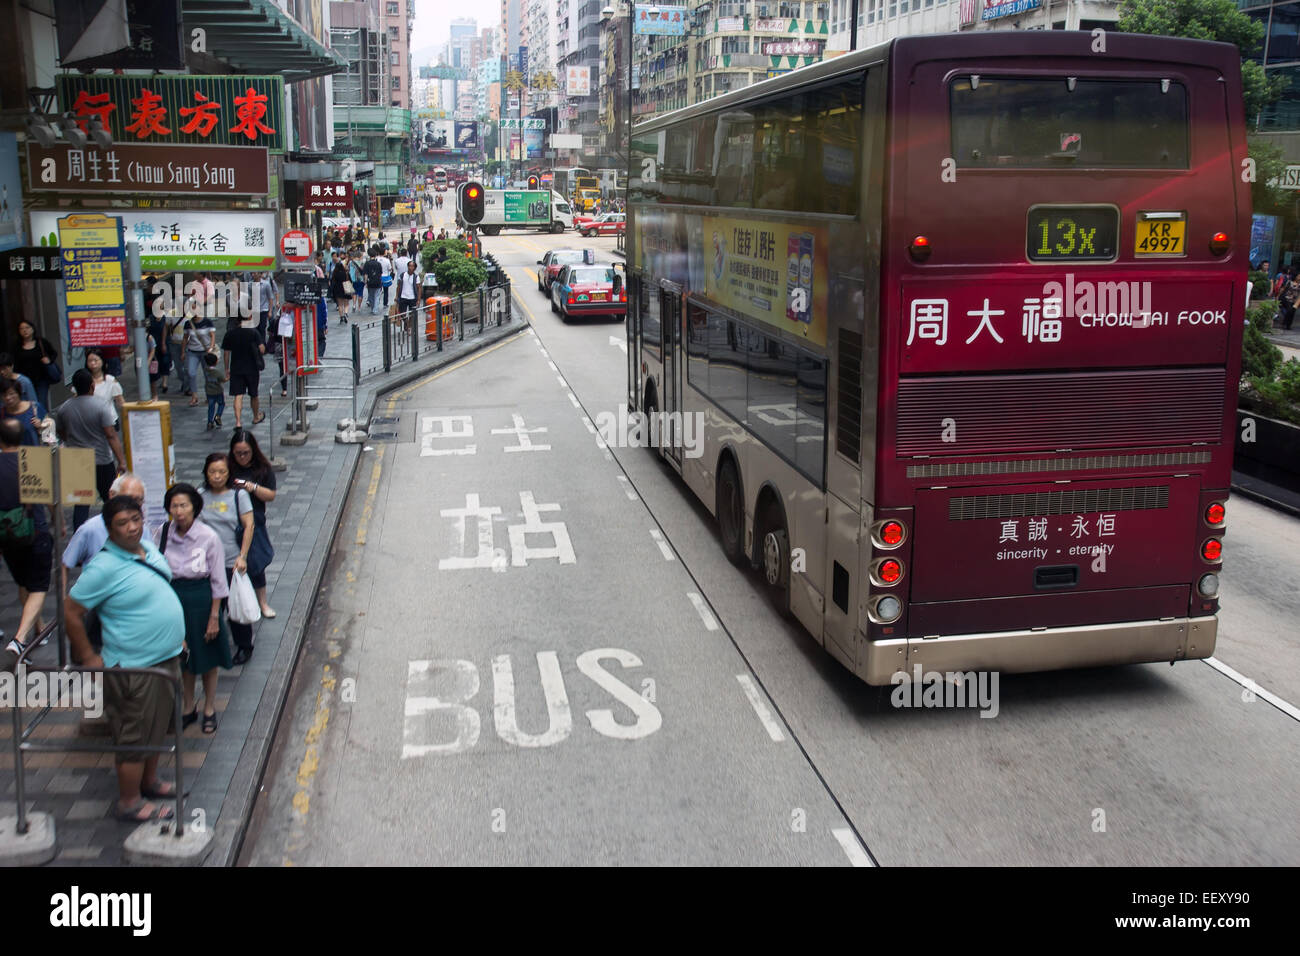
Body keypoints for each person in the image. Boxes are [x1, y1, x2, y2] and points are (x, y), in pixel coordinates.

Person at [65, 495, 184, 823]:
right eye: (122, 523)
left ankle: (150, 781)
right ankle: (130, 801)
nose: (132, 527)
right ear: (108, 528)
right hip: (134, 667)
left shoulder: (148, 547)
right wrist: (89, 657)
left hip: (166, 660)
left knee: (157, 727)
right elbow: (71, 612)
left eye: (135, 519)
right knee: (134, 736)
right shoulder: (103, 567)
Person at [157, 483, 230, 735]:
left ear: (195, 508)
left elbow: (219, 581)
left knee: (208, 658)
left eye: (184, 505)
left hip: (202, 600)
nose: (179, 511)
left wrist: (214, 617)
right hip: (173, 601)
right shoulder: (162, 533)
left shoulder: (208, 537)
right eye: (174, 506)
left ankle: (209, 707)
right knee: (183, 658)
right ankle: (188, 707)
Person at [0, 417, 53, 658]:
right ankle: (20, 640)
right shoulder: (32, 461)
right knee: (39, 585)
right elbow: (50, 497)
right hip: (36, 530)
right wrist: (59, 522)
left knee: (23, 583)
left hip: (7, 534)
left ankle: (39, 629)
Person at [199, 453, 256, 666]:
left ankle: (244, 645)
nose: (217, 476)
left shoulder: (237, 496)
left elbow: (249, 525)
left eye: (222, 472)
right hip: (206, 563)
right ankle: (212, 643)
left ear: (229, 472)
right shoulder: (200, 495)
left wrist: (243, 556)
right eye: (213, 471)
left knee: (235, 605)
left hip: (231, 561)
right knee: (211, 607)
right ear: (206, 472)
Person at [55, 368, 126, 531]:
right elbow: (111, 435)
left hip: (77, 461)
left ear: (74, 387)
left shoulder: (64, 408)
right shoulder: (101, 406)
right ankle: (114, 531)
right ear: (92, 386)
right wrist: (121, 460)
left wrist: (71, 440)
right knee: (111, 500)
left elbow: (61, 431)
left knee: (81, 502)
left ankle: (79, 535)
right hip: (102, 459)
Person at [228, 429, 277, 619]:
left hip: (254, 522)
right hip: (231, 522)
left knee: (256, 564)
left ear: (253, 450)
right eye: (237, 453)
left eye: (245, 453)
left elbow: (271, 495)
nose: (241, 457)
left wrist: (253, 487)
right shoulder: (227, 468)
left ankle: (262, 603)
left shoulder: (262, 469)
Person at [61, 472, 147, 580]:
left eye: (138, 500)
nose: (133, 504)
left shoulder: (143, 529)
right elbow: (66, 563)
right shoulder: (90, 528)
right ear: (112, 495)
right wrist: (63, 596)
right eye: (128, 498)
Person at [221, 316, 265, 430]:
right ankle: (256, 417)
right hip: (252, 368)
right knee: (254, 394)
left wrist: (226, 369)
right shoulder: (253, 332)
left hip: (236, 368)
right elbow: (262, 349)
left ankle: (238, 422)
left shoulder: (230, 334)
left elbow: (226, 353)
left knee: (238, 395)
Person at [12, 319, 59, 410]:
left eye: (27, 328)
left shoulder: (41, 342)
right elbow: (15, 362)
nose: (25, 330)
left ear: (32, 329)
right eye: (21, 328)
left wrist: (48, 361)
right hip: (25, 380)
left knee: (41, 403)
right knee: (28, 403)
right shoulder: (17, 346)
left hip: (41, 379)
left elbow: (53, 353)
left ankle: (43, 421)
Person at [183, 311, 217, 408]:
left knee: (208, 375)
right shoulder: (188, 323)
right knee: (191, 373)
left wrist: (211, 348)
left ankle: (209, 396)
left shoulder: (207, 321)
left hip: (205, 351)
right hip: (192, 351)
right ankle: (194, 396)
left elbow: (212, 335)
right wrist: (182, 351)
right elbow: (185, 338)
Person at [84, 347, 124, 428]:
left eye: (95, 360)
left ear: (102, 361)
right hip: (90, 423)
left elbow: (121, 402)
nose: (92, 363)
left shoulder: (110, 380)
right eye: (90, 361)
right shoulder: (84, 380)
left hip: (110, 421)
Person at [1, 378, 45, 447]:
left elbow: (50, 433)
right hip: (10, 456)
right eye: (4, 395)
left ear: (19, 393)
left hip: (35, 454)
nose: (8, 398)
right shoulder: (2, 413)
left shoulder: (35, 408)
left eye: (11, 393)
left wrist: (41, 427)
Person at [396, 258, 420, 339]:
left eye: (412, 266)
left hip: (412, 297)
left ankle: (409, 327)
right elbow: (398, 286)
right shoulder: (403, 275)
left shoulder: (416, 277)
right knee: (402, 313)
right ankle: (406, 322)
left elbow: (418, 288)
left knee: (411, 314)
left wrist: (418, 299)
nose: (411, 268)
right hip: (403, 297)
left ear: (415, 268)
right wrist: (396, 296)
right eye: (409, 266)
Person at [203, 352, 226, 430]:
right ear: (215, 362)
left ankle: (210, 421)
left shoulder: (205, 370)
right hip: (218, 391)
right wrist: (229, 377)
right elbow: (223, 379)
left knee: (211, 406)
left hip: (209, 392)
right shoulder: (217, 372)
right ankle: (218, 416)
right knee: (221, 404)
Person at [331, 252, 351, 325]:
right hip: (346, 286)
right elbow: (350, 280)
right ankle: (345, 313)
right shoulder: (346, 273)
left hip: (338, 288)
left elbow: (333, 280)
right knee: (346, 302)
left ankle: (341, 316)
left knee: (340, 304)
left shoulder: (335, 273)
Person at [364, 249, 384, 315]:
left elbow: (366, 274)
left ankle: (373, 308)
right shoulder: (378, 264)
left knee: (371, 295)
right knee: (377, 295)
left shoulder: (367, 264)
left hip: (370, 282)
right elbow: (381, 273)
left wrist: (366, 282)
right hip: (378, 281)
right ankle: (375, 309)